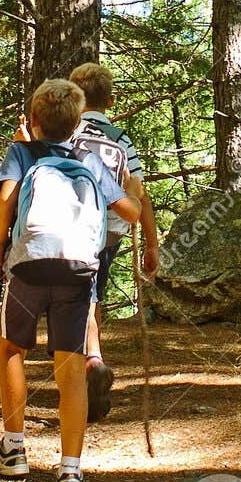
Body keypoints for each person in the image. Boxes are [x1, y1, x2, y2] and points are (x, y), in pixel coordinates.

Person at [0, 79, 140, 482]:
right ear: (76, 126)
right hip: (78, 269)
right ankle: (70, 473)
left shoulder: (21, 152)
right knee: (70, 366)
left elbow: (5, 202)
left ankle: (13, 447)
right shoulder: (89, 159)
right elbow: (131, 212)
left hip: (29, 264)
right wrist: (121, 186)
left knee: (13, 348)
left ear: (33, 121)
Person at [68, 62, 160, 421]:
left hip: (71, 224)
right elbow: (140, 193)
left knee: (80, 296)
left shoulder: (68, 134)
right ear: (111, 99)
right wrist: (152, 245)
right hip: (110, 227)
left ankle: (90, 359)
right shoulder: (121, 140)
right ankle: (91, 355)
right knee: (93, 292)